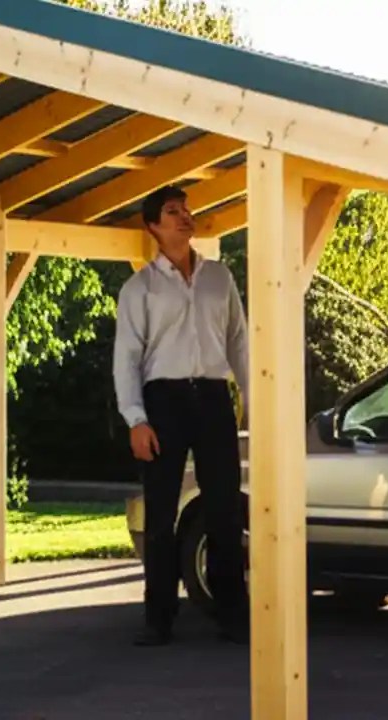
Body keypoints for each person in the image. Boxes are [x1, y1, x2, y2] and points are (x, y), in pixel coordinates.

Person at [113, 184, 250, 647]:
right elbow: (127, 358)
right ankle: (159, 619)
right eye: (172, 212)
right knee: (162, 515)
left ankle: (232, 614)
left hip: (213, 399)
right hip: (163, 404)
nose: (184, 217)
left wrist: (255, 399)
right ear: (153, 226)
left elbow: (239, 343)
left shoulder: (220, 279)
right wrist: (136, 418)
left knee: (225, 510)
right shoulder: (140, 288)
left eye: (186, 210)